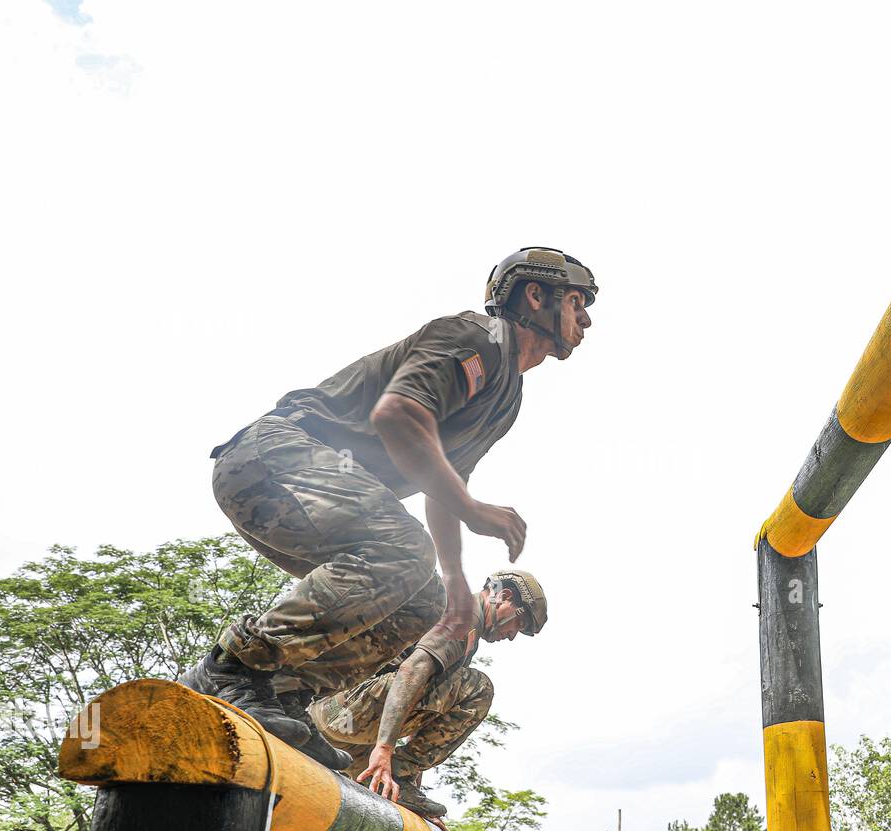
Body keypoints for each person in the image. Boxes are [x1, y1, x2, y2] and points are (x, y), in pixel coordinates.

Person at [178, 249, 594, 768]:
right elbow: (399, 416)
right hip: (272, 460)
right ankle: (232, 666)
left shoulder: (508, 397)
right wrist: (474, 509)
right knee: (402, 547)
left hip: (318, 497)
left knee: (424, 604)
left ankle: (281, 692)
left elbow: (443, 483)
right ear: (536, 296)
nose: (586, 319)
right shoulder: (475, 339)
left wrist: (458, 581)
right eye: (577, 302)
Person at [311, 568, 548, 818]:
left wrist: (411, 791)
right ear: (504, 596)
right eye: (518, 624)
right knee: (479, 688)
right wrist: (384, 749)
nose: (512, 636)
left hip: (341, 727)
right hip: (343, 711)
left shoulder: (467, 627)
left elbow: (424, 712)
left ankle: (398, 779)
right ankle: (396, 769)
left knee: (386, 810)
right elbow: (411, 671)